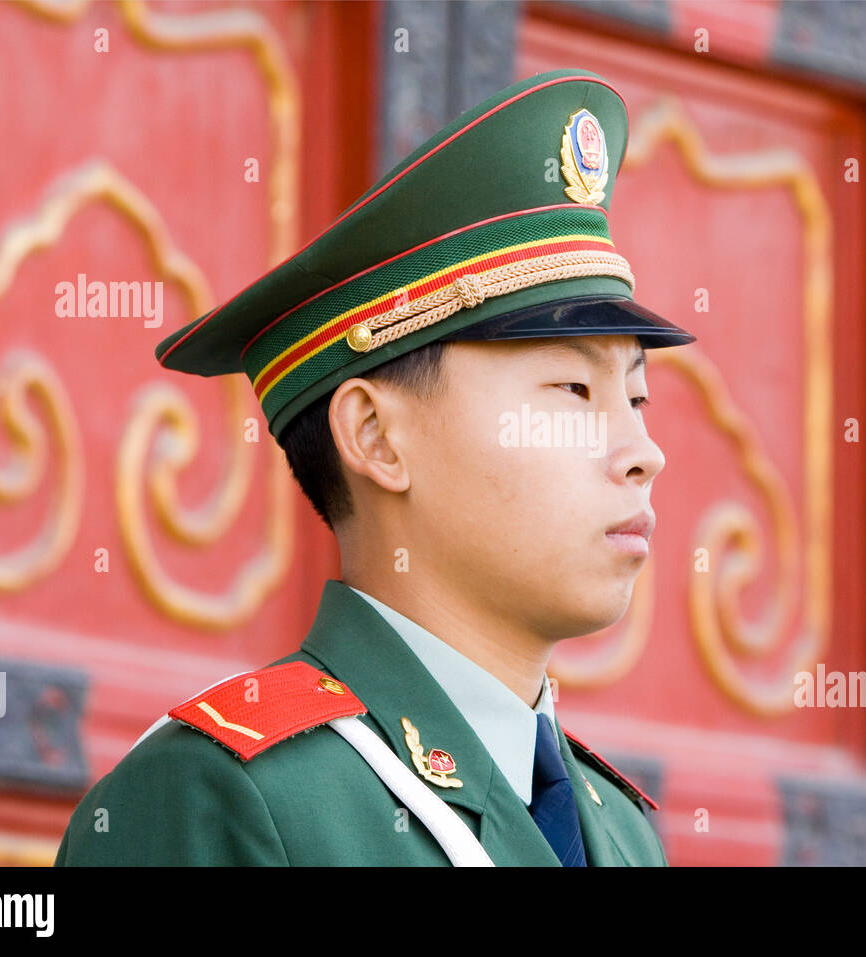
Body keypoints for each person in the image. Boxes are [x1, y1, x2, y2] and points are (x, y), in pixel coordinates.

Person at [54, 66, 696, 866]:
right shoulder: (225, 797)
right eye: (572, 388)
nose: (643, 452)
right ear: (377, 437)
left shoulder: (623, 832)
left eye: (636, 398)